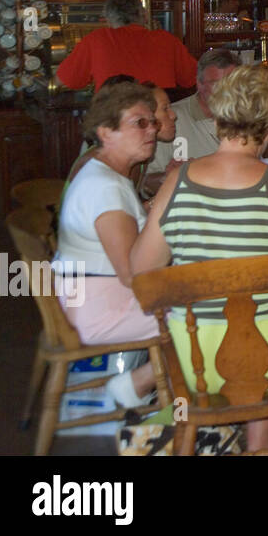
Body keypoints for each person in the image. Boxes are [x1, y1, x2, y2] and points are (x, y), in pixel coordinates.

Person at [130, 66, 268, 452]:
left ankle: (259, 437)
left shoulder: (176, 181)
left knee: (253, 326)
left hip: (192, 359)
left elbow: (141, 269)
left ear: (216, 118)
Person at [53, 82, 163, 408]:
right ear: (106, 132)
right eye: (139, 123)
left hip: (88, 298)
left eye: (152, 122)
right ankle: (137, 386)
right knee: (218, 312)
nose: (152, 130)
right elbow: (133, 275)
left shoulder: (107, 174)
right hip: (100, 311)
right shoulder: (105, 187)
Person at [56, 0, 198, 92]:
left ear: (108, 20)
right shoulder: (167, 40)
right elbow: (191, 79)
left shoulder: (96, 39)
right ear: (145, 16)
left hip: (115, 121)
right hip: (157, 121)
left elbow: (65, 80)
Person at [67, 80, 178, 202]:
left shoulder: (138, 157)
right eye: (165, 108)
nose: (173, 115)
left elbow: (132, 212)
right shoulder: (100, 168)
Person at [145, 48, 241, 179]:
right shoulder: (169, 119)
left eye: (233, 83)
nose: (226, 91)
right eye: (217, 84)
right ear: (199, 84)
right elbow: (146, 180)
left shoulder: (250, 115)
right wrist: (176, 176)